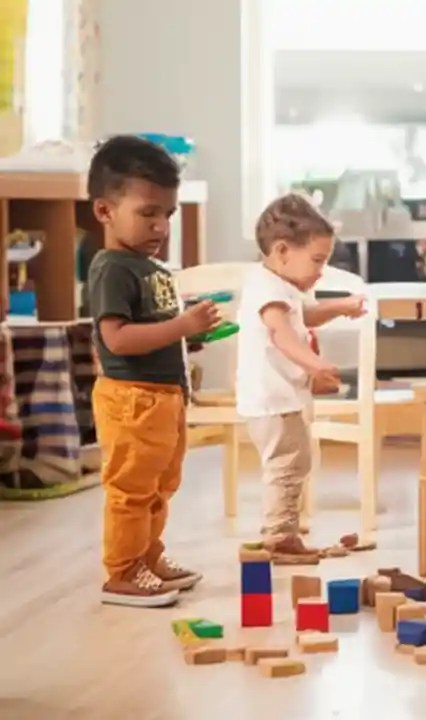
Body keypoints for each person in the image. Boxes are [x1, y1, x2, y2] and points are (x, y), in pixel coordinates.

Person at [88, 136, 221, 607]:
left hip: (163, 397)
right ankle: (123, 572)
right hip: (132, 399)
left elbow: (155, 329)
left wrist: (189, 334)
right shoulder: (112, 269)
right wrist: (182, 326)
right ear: (105, 211)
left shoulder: (153, 269)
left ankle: (147, 557)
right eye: (148, 213)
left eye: (168, 213)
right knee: (131, 489)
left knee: (159, 486)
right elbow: (118, 339)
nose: (161, 226)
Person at [236, 194, 364, 563]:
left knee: (294, 461)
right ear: (282, 251)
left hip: (277, 398)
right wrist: (314, 364)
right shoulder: (267, 289)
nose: (321, 271)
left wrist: (340, 306)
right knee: (288, 465)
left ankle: (282, 532)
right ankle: (280, 537)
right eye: (317, 260)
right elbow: (281, 333)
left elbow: (303, 316)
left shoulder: (279, 287)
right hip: (272, 399)